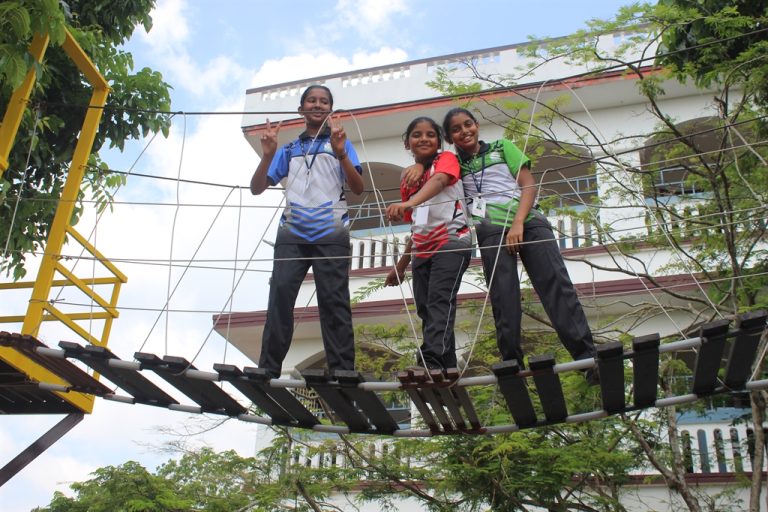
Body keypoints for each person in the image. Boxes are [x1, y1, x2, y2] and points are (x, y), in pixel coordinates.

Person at [441, 107, 597, 375]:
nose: (464, 131)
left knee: (555, 286)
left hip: (528, 222)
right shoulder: (455, 164)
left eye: (468, 124)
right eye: (456, 129)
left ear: (476, 125)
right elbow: (436, 172)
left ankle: (588, 358)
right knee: (503, 296)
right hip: (491, 230)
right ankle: (512, 362)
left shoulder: (502, 147)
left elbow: (528, 184)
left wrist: (518, 223)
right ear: (449, 137)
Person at [250, 85, 364, 378]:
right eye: (311, 101)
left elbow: (358, 187)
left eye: (324, 101)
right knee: (280, 295)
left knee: (334, 300)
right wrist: (267, 156)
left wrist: (341, 154)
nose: (317, 105)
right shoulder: (287, 149)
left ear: (330, 110)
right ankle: (268, 366)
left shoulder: (341, 143)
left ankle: (341, 370)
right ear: (301, 110)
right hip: (292, 232)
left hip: (332, 232)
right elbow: (257, 188)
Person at [385, 117, 472, 371]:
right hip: (422, 249)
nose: (423, 139)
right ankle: (447, 367)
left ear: (439, 141)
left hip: (451, 239)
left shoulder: (447, 160)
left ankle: (429, 360)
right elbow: (416, 226)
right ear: (407, 143)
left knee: (439, 301)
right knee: (426, 309)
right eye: (416, 135)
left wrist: (408, 203)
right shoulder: (407, 178)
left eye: (430, 135)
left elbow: (440, 182)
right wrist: (401, 264)